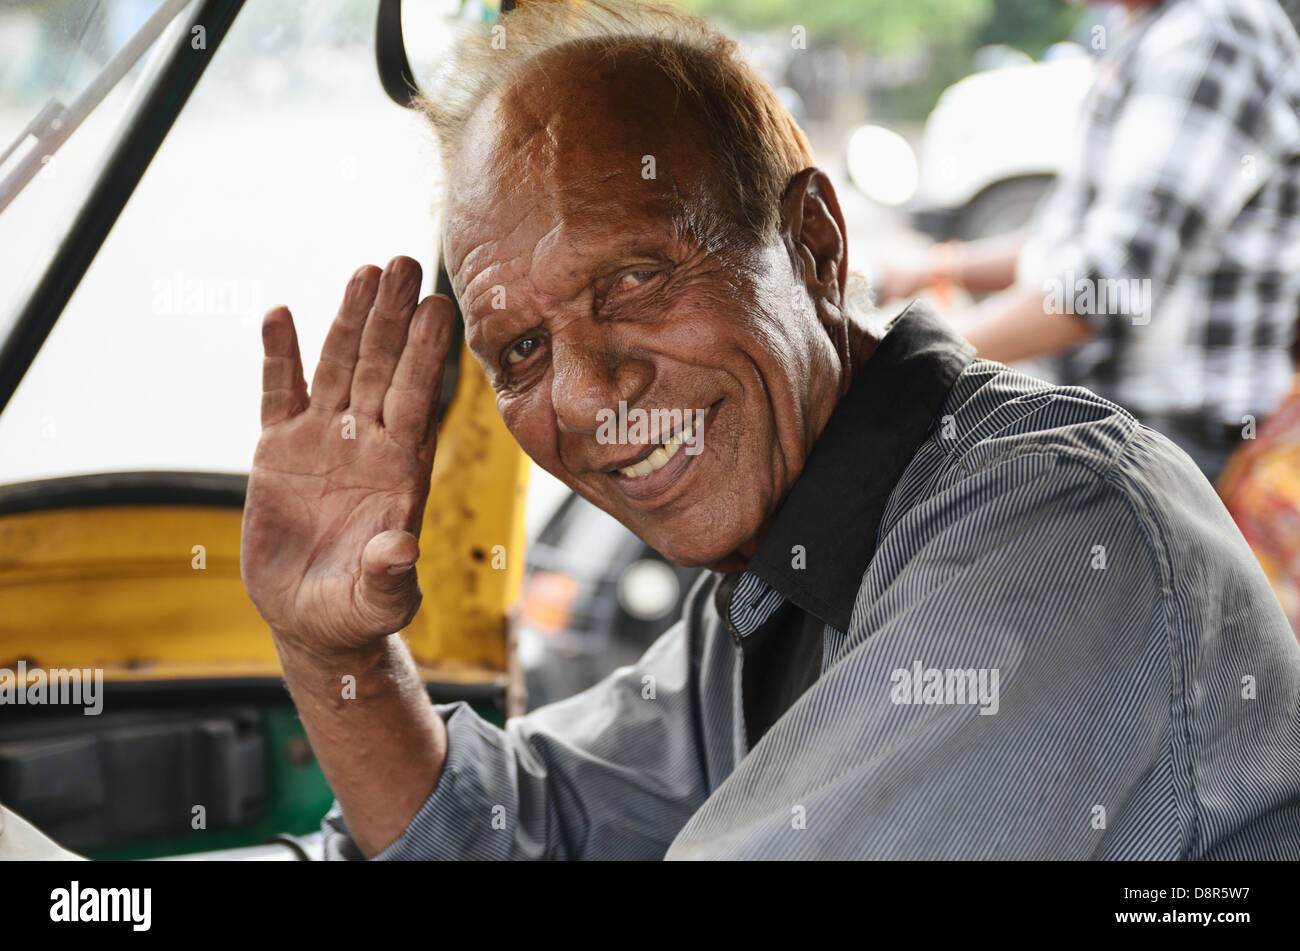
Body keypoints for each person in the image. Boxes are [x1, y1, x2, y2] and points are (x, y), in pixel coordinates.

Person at [239, 0, 1300, 860]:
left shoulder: (1060, 536)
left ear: (811, 243)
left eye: (635, 279)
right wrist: (339, 653)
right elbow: (526, 832)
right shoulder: (786, 579)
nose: (582, 394)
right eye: (519, 352)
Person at [880, 0, 1300, 482]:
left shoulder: (1214, 34)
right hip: (1131, 427)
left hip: (1177, 448)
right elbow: (1070, 245)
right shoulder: (1146, 29)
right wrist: (934, 269)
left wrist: (908, 362)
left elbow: (1112, 282)